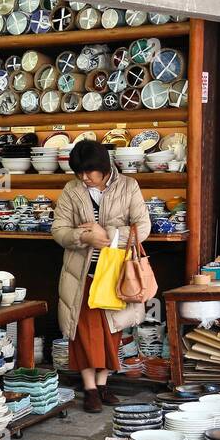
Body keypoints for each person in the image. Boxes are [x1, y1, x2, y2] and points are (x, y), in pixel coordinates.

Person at [51, 140, 151, 413]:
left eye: (89, 172)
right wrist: (83, 236)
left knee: (111, 330)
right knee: (81, 331)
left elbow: (142, 227)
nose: (84, 178)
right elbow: (58, 230)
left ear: (104, 168)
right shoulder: (72, 190)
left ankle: (103, 382)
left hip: (116, 273)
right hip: (80, 274)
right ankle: (91, 388)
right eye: (79, 172)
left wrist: (107, 236)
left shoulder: (128, 186)